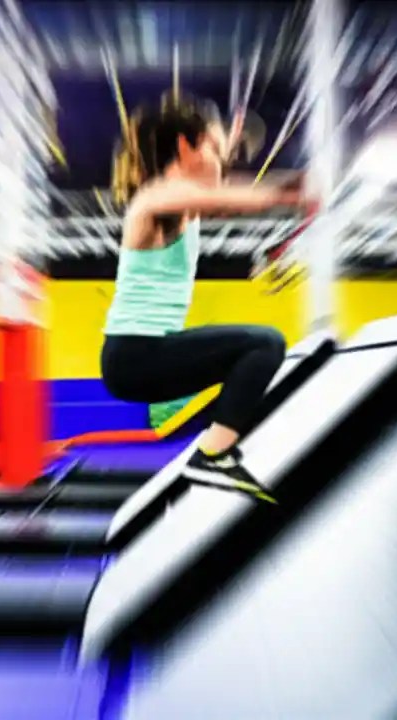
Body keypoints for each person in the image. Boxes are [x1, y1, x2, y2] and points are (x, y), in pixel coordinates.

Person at [101, 97, 317, 501]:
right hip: (134, 355)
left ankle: (218, 447)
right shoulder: (155, 198)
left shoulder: (184, 206)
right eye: (214, 151)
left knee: (254, 362)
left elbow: (214, 190)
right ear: (186, 148)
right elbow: (228, 197)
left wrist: (225, 145)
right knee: (264, 343)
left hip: (145, 357)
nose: (223, 162)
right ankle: (212, 455)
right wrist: (290, 192)